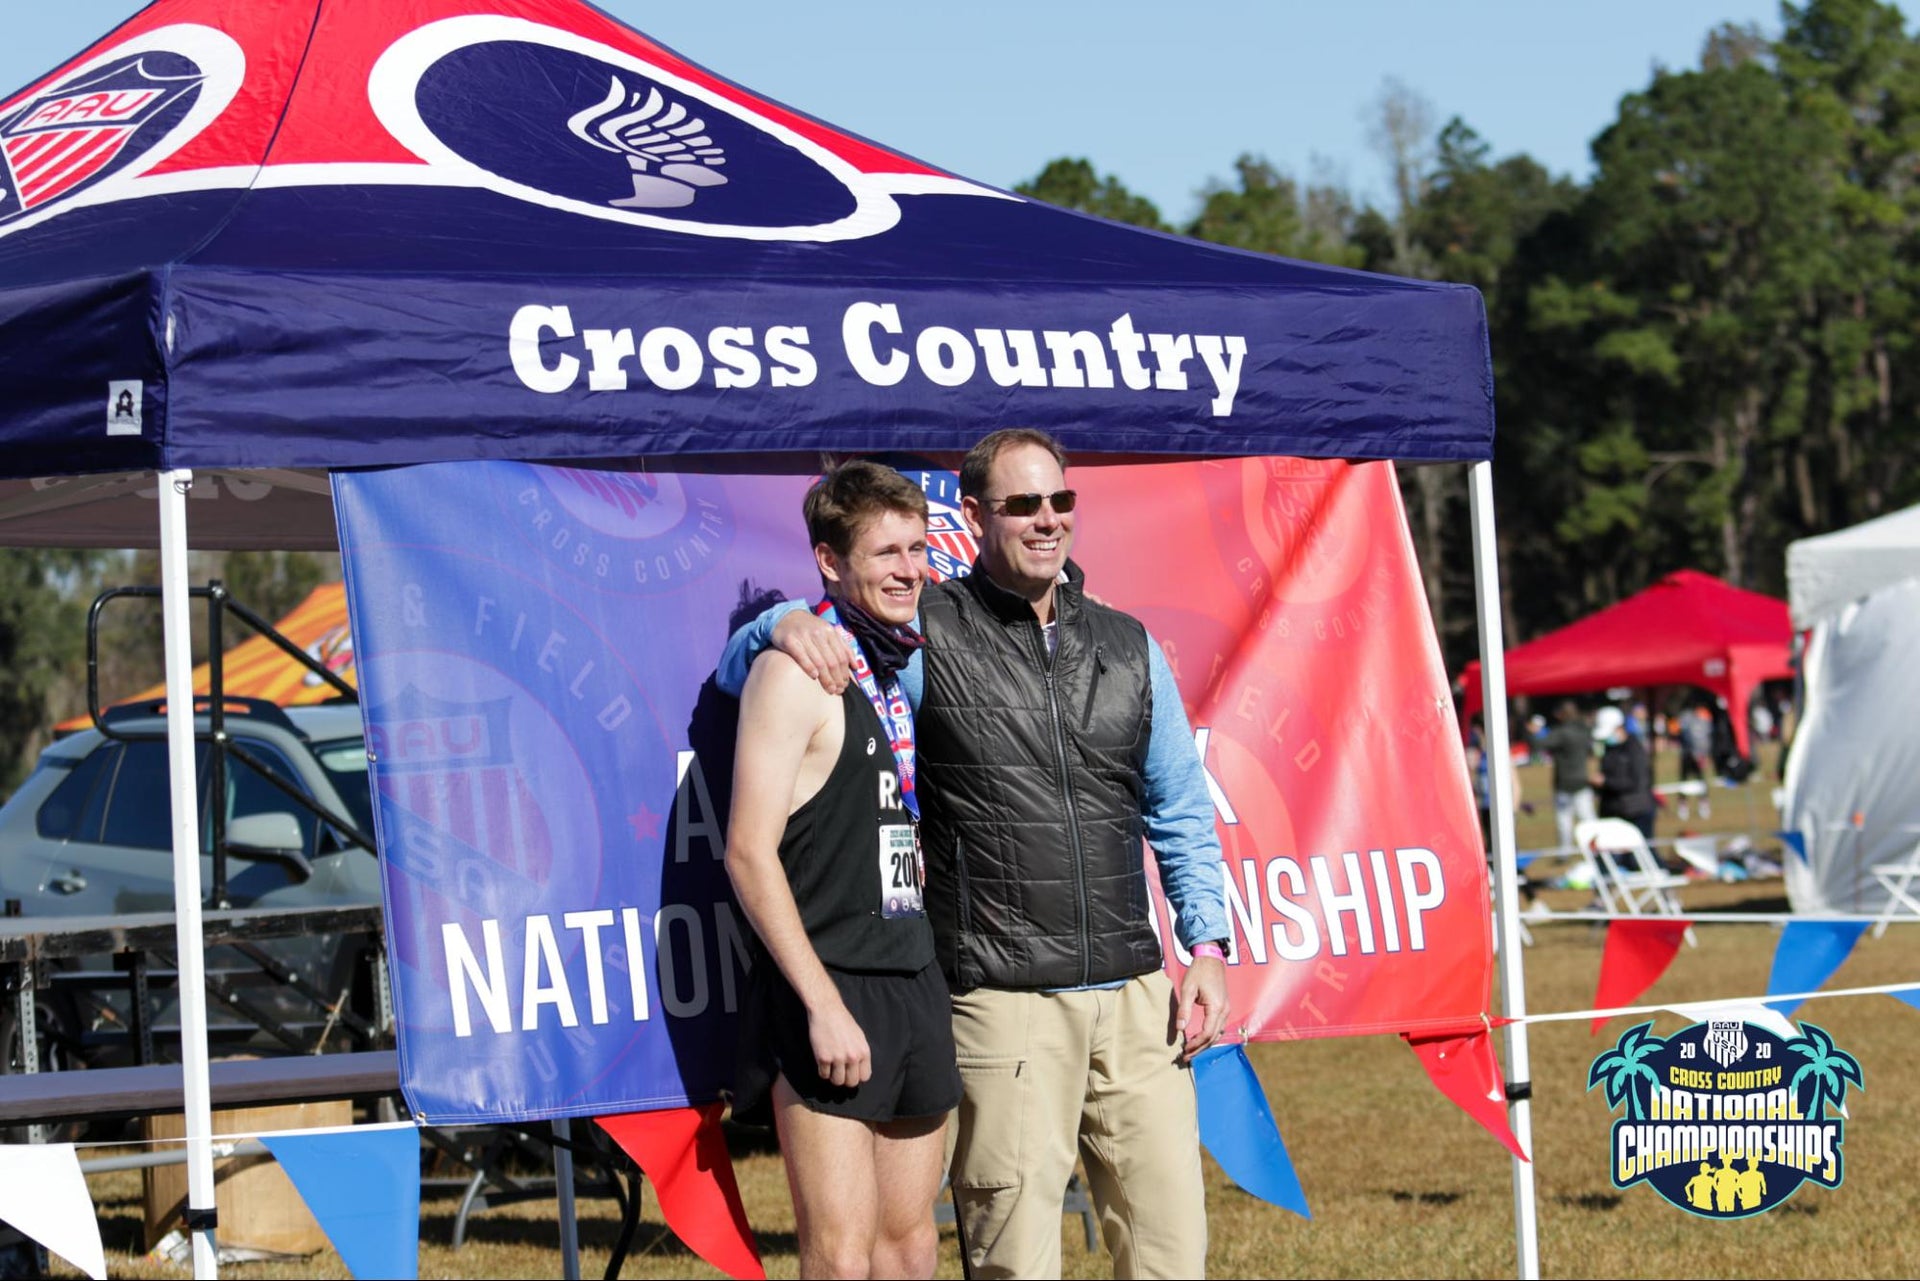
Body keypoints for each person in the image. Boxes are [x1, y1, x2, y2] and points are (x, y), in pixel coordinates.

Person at [721, 429, 1230, 1279]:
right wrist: (779, 624)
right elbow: (774, 659)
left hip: (1137, 997)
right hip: (1005, 1000)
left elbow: (1180, 804)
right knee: (1011, 1263)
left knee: (1171, 1257)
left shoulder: (1127, 643)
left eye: (1060, 500)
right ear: (976, 514)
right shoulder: (928, 628)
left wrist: (1205, 943)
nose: (1046, 519)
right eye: (1022, 503)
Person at [724, 461, 961, 1279]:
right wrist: (821, 1004)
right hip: (831, 982)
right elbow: (747, 851)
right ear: (829, 560)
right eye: (887, 552)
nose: (910, 569)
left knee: (910, 1245)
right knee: (841, 1255)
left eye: (918, 548)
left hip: (912, 971)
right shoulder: (794, 670)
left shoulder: (897, 658)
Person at [1591, 705, 1656, 845]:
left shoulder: (1634, 749)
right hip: (1615, 811)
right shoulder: (1610, 749)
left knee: (1642, 852)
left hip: (1636, 811)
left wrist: (1606, 782)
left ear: (1619, 728)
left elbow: (1637, 781)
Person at [1541, 702, 1596, 850]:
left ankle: (1564, 852)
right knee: (1588, 819)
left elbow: (1542, 744)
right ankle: (1595, 849)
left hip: (1565, 783)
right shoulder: (1583, 730)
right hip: (1581, 780)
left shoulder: (1561, 732)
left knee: (1564, 821)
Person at [1676, 705, 1714, 820]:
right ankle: (1683, 806)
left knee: (1701, 780)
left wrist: (1704, 755)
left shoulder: (1703, 718)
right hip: (1687, 755)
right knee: (1684, 781)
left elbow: (1706, 738)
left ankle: (1703, 804)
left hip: (1699, 755)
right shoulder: (1686, 717)